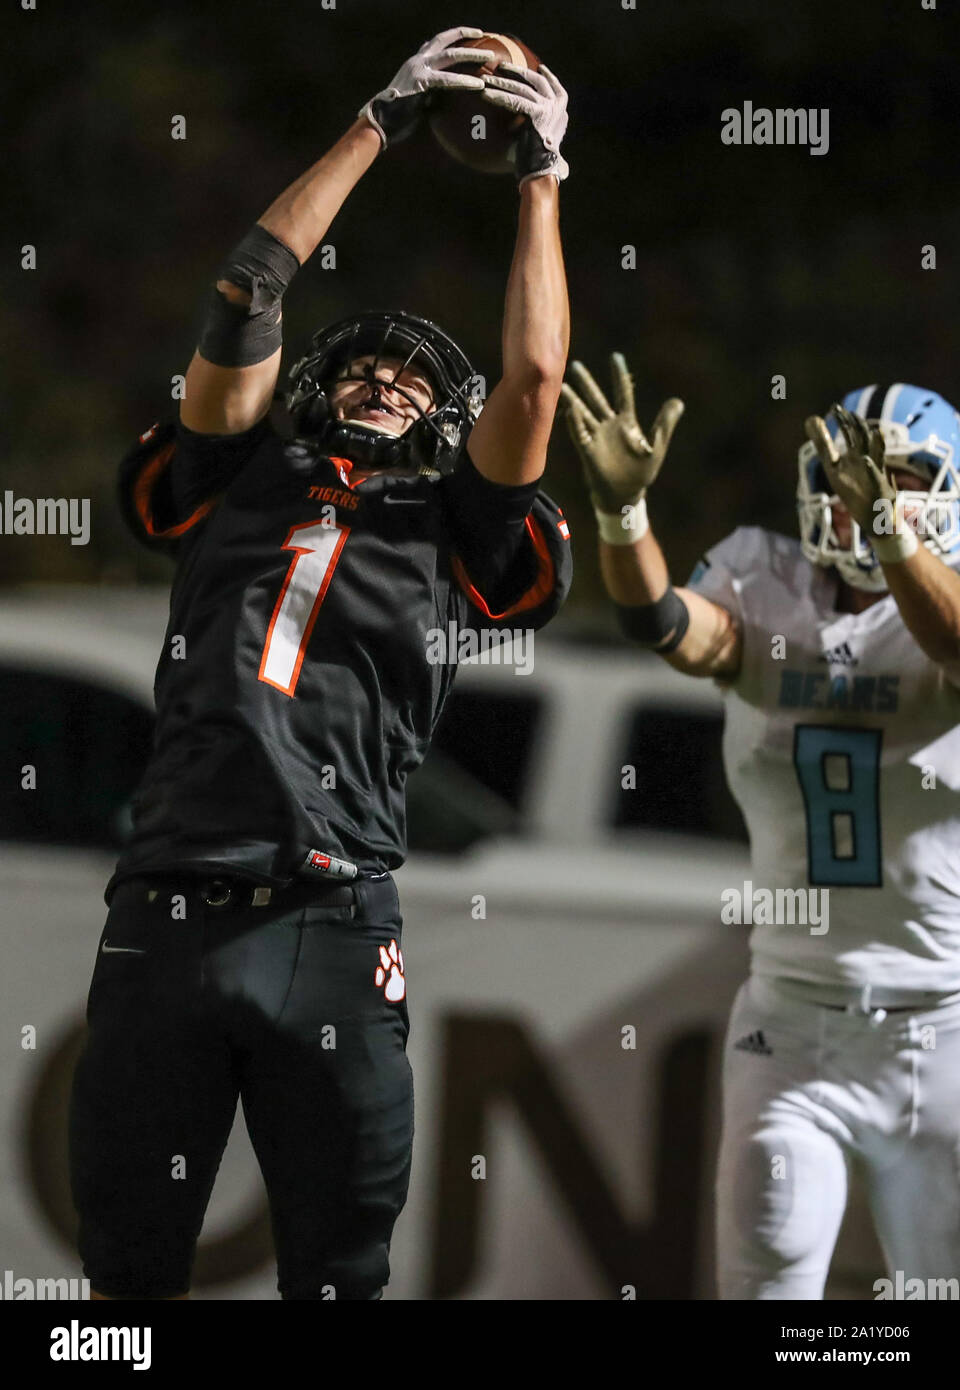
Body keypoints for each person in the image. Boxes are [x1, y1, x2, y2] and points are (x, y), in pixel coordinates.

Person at [69, 27, 572, 1302]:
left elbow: (536, 372)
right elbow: (247, 290)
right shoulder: (239, 471)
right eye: (367, 366)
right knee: (121, 1294)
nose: (389, 382)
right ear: (316, 388)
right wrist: (379, 120)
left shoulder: (458, 521)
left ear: (446, 427)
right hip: (171, 906)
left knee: (341, 1279)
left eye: (415, 381)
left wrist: (542, 177)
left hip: (335, 918)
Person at [563, 358, 960, 1299]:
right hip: (789, 1026)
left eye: (899, 484)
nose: (869, 503)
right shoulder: (762, 576)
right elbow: (667, 626)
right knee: (769, 1283)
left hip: (947, 1027)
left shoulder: (940, 610)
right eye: (855, 481)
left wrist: (895, 542)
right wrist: (624, 515)